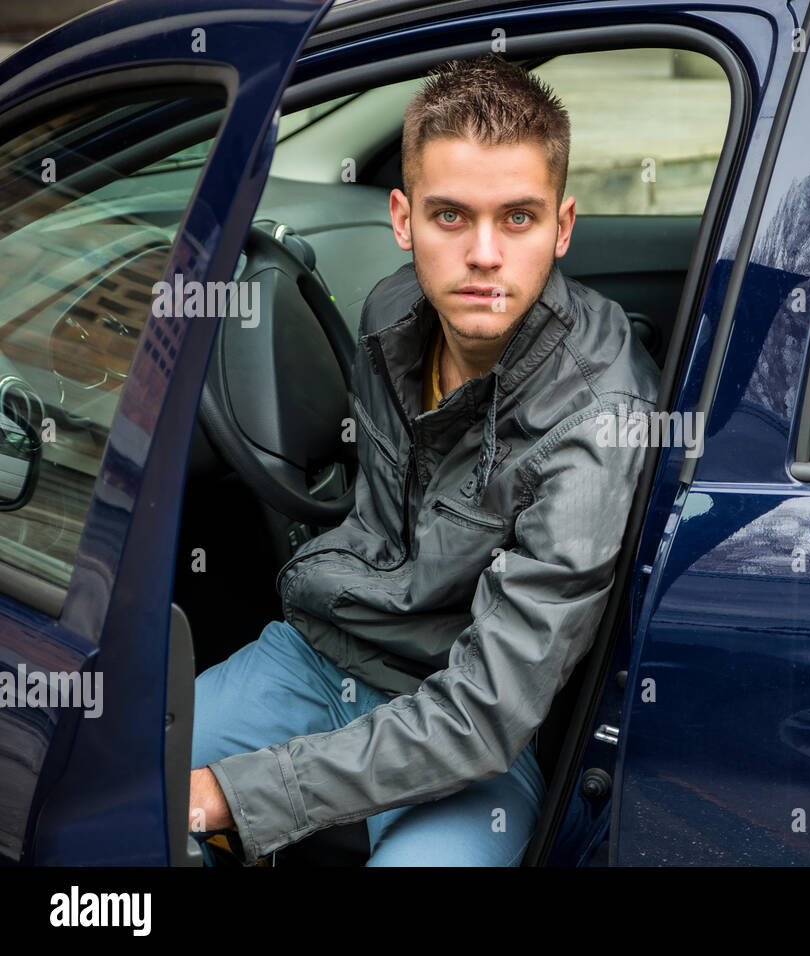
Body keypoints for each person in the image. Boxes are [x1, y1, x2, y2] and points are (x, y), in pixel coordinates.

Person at [187, 53, 659, 866]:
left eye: (518, 218)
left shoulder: (599, 422)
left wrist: (240, 795)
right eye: (451, 217)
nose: (483, 254)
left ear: (564, 225)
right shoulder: (390, 309)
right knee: (102, 770)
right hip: (322, 655)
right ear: (402, 221)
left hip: (474, 728)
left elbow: (484, 717)